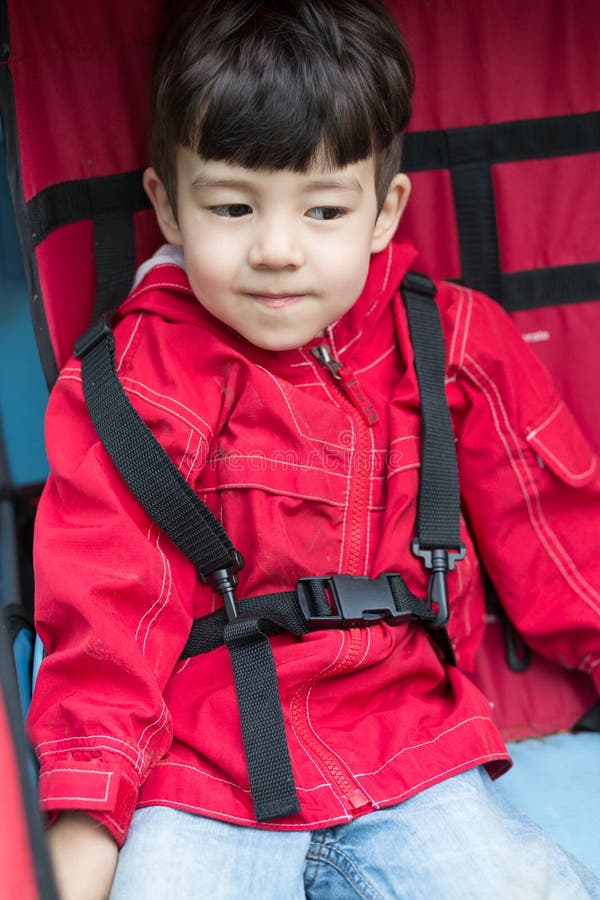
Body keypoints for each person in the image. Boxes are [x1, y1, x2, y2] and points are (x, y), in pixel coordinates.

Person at [27, 1, 600, 898]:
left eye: (325, 209)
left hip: (412, 746)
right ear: (167, 205)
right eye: (231, 206)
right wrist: (84, 825)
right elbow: (103, 617)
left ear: (383, 212)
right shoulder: (135, 380)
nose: (277, 250)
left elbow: (564, 539)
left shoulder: (447, 341)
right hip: (197, 768)